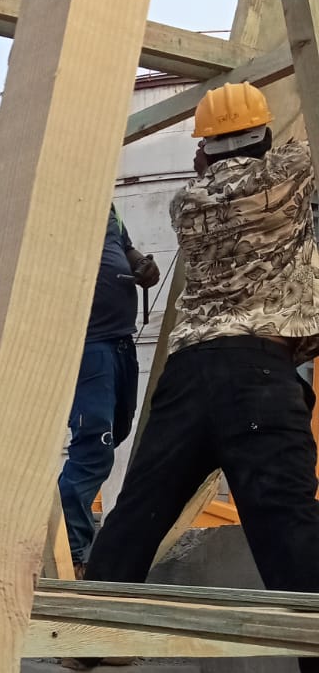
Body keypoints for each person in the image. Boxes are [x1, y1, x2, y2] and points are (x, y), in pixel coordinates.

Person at [83, 81, 319, 609]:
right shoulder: (291, 173)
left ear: (203, 149)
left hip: (188, 372)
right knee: (286, 519)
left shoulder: (185, 203)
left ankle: (87, 634)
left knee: (141, 507)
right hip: (258, 372)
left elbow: (223, 173)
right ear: (264, 135)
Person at [57, 207, 160, 573]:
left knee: (115, 433)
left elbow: (128, 251)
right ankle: (71, 554)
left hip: (119, 341)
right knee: (94, 448)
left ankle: (70, 539)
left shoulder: (106, 204)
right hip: (89, 343)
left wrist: (143, 268)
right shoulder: (56, 198)